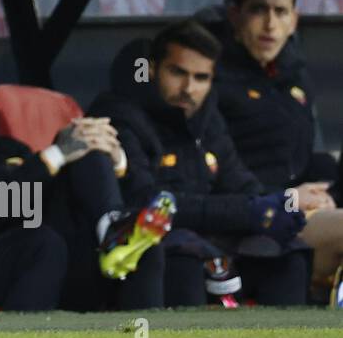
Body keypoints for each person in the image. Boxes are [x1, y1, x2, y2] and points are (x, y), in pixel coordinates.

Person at [0, 29, 170, 312]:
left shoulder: (10, 149)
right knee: (42, 241)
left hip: (48, 263)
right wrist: (55, 155)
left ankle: (113, 228)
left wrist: (116, 162)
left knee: (145, 247)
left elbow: (51, 203)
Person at [89, 21, 309, 306]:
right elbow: (149, 203)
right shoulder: (123, 115)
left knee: (287, 250)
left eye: (201, 77)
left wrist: (275, 205)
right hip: (147, 245)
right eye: (177, 72)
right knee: (187, 253)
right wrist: (247, 212)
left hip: (211, 237)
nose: (188, 88)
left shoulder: (206, 117)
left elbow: (239, 181)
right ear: (153, 69)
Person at [210, 0, 343, 298]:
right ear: (235, 15)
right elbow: (219, 173)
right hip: (251, 221)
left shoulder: (295, 79)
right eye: (259, 10)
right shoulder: (210, 82)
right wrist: (286, 198)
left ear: (294, 20)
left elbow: (296, 160)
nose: (270, 23)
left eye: (281, 11)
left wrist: (323, 191)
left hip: (294, 208)